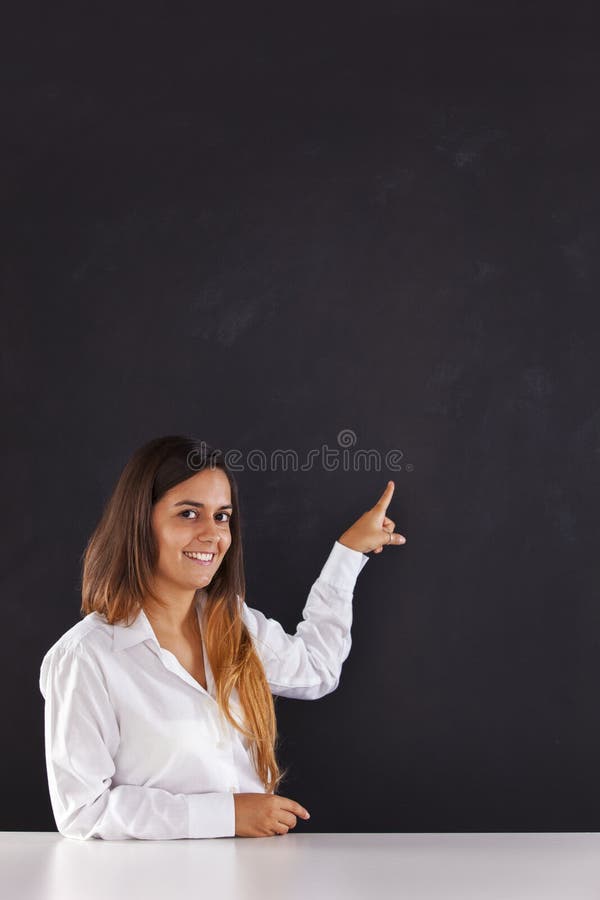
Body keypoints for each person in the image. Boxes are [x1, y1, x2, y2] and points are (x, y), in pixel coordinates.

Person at [39, 435, 406, 841]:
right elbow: (82, 811)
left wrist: (348, 552)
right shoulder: (86, 657)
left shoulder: (234, 624)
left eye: (222, 516)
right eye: (189, 513)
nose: (213, 534)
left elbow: (318, 669)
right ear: (140, 521)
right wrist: (226, 815)